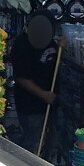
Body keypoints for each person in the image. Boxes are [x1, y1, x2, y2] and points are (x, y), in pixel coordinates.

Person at [10, 12, 63, 155]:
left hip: (50, 105)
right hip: (31, 106)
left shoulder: (47, 40)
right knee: (33, 144)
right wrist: (44, 94)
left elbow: (52, 61)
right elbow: (21, 77)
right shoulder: (22, 45)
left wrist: (61, 48)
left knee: (49, 144)